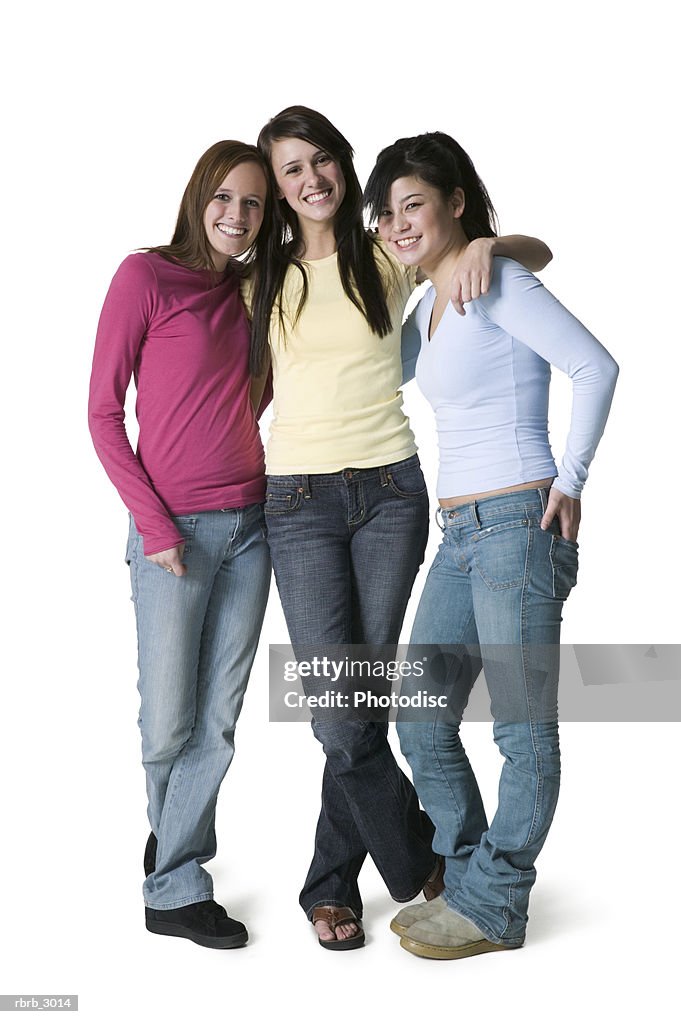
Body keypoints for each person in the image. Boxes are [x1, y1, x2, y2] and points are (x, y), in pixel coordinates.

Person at [248, 105, 553, 949]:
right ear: (275, 188)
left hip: (390, 494)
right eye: (289, 170)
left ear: (341, 166)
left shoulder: (384, 251)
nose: (310, 180)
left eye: (320, 161)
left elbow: (521, 259)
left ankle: (330, 886)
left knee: (366, 701)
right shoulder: (261, 276)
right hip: (297, 504)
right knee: (338, 714)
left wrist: (497, 246)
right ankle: (416, 859)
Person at [364, 131, 619, 959]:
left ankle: (495, 904)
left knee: (521, 732)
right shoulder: (430, 303)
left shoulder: (495, 278)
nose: (401, 222)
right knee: (420, 716)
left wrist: (570, 479)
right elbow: (372, 367)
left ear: (454, 204)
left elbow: (595, 366)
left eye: (415, 204)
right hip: (460, 532)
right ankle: (470, 875)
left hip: (517, 523)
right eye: (388, 210)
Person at [88, 141, 273, 949]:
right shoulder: (146, 278)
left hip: (252, 527)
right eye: (224, 197)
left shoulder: (261, 290)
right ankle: (173, 838)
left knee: (219, 720)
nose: (237, 215)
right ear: (199, 196)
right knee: (167, 721)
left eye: (254, 204)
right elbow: (101, 413)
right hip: (174, 536)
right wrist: (155, 526)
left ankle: (173, 881)